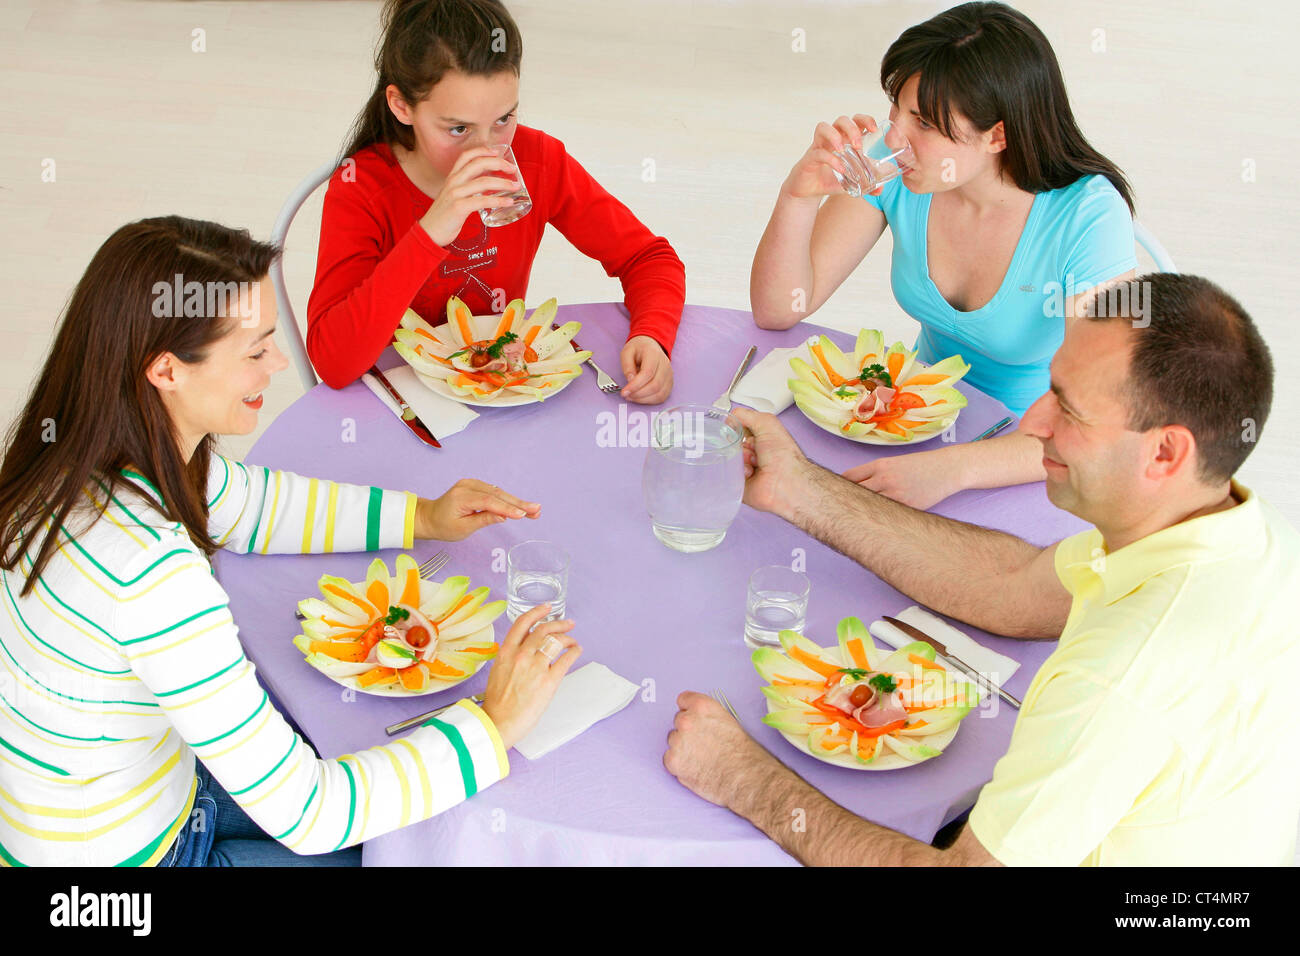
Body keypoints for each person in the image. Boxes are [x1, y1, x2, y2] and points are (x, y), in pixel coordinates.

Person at [0, 217, 581, 867]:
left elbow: (257, 504)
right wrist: (492, 725)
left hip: (141, 798)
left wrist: (423, 518)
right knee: (402, 849)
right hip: (131, 866)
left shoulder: (76, 456)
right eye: (255, 351)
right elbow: (312, 814)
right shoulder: (150, 575)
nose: (278, 364)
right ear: (167, 370)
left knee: (364, 776)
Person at [666, 273, 1300, 866]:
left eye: (1068, 409)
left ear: (1165, 452)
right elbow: (1015, 588)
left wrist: (743, 779)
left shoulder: (1121, 674)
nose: (1034, 423)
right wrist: (800, 489)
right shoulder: (1234, 528)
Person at [751, 2, 1137, 510]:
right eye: (895, 113)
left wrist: (955, 469)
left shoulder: (1090, 216)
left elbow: (1109, 418)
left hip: (1037, 458)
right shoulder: (897, 174)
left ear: (998, 134)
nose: (894, 139)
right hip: (918, 424)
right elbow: (779, 309)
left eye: (924, 124)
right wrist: (797, 196)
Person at [307, 0, 684, 402]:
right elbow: (334, 362)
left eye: (504, 119)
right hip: (397, 400)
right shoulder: (362, 187)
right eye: (458, 128)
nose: (487, 150)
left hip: (498, 394)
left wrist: (651, 335)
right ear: (402, 106)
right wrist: (431, 232)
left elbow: (647, 258)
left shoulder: (538, 161)